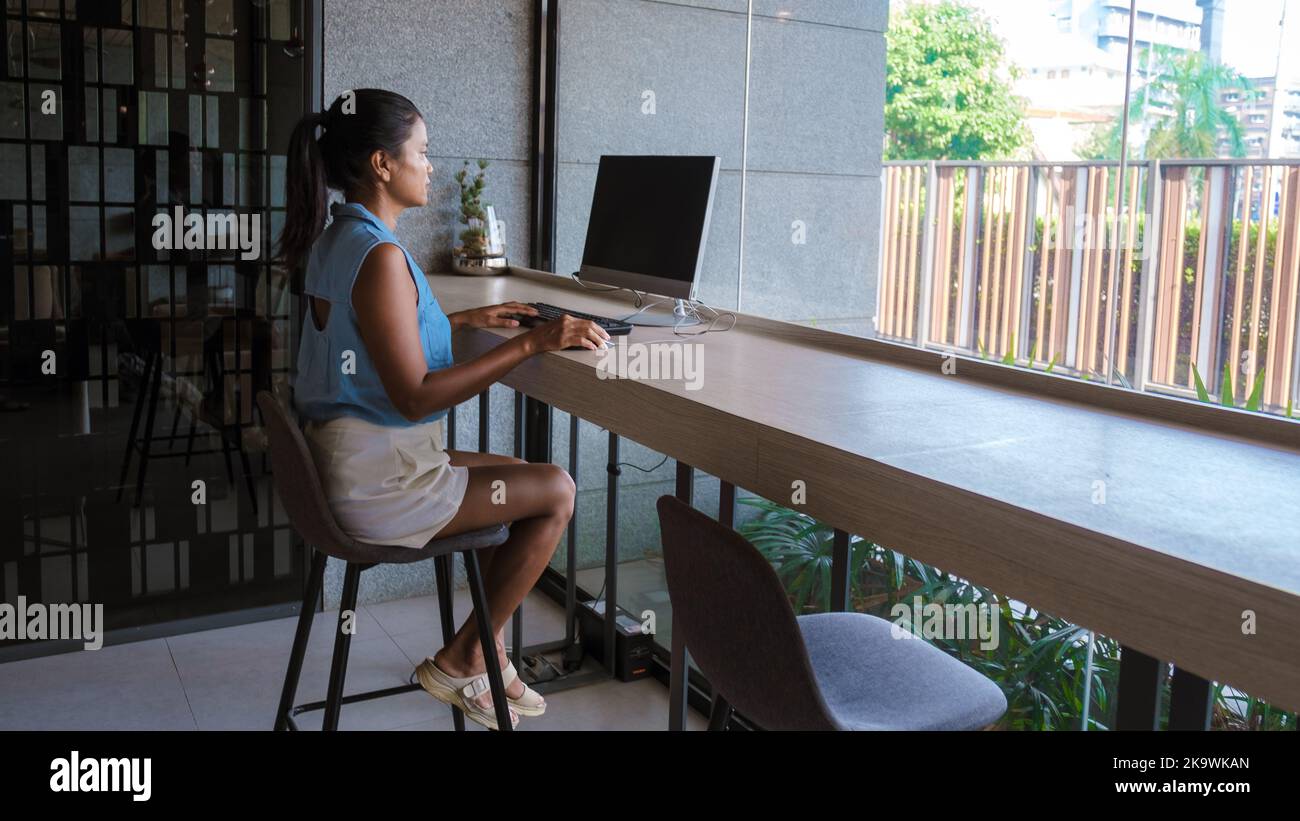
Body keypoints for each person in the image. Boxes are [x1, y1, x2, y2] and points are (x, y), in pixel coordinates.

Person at [280, 89, 610, 729]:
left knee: (515, 476)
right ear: (382, 164)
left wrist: (462, 320)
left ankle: (491, 656)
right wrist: (531, 343)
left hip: (348, 461)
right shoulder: (379, 257)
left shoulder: (339, 238)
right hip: (379, 483)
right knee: (556, 491)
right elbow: (415, 394)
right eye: (422, 153)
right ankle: (463, 660)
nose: (430, 166)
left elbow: (375, 333)